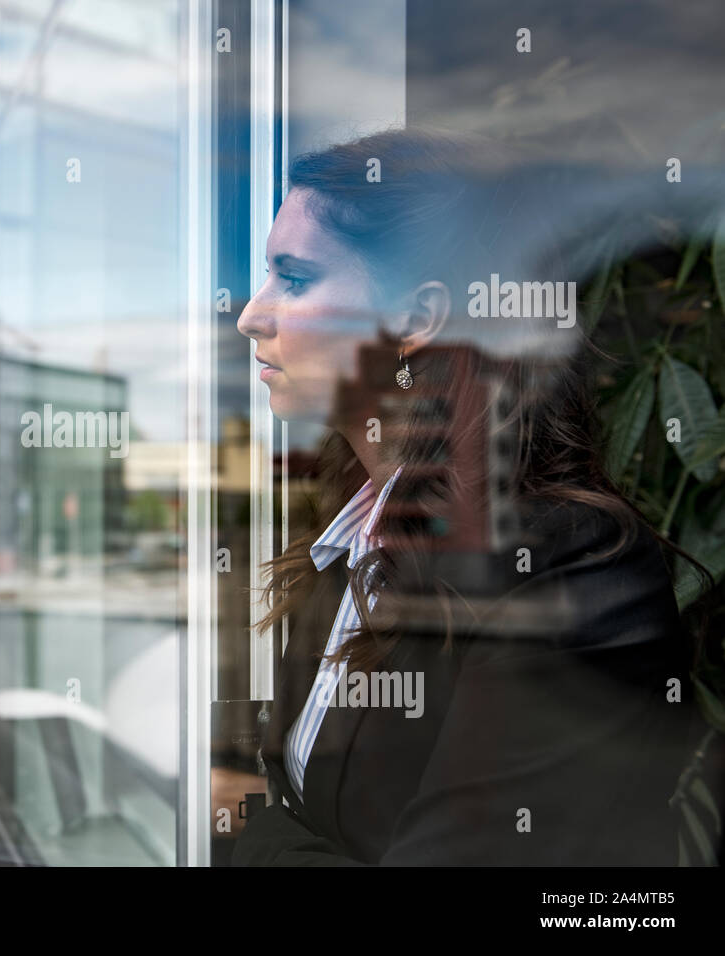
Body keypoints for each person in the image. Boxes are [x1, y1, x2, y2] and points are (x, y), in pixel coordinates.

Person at [231, 128, 712, 865]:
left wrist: (250, 832)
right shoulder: (352, 546)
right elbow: (295, 795)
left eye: (294, 279)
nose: (250, 316)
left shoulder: (574, 572)